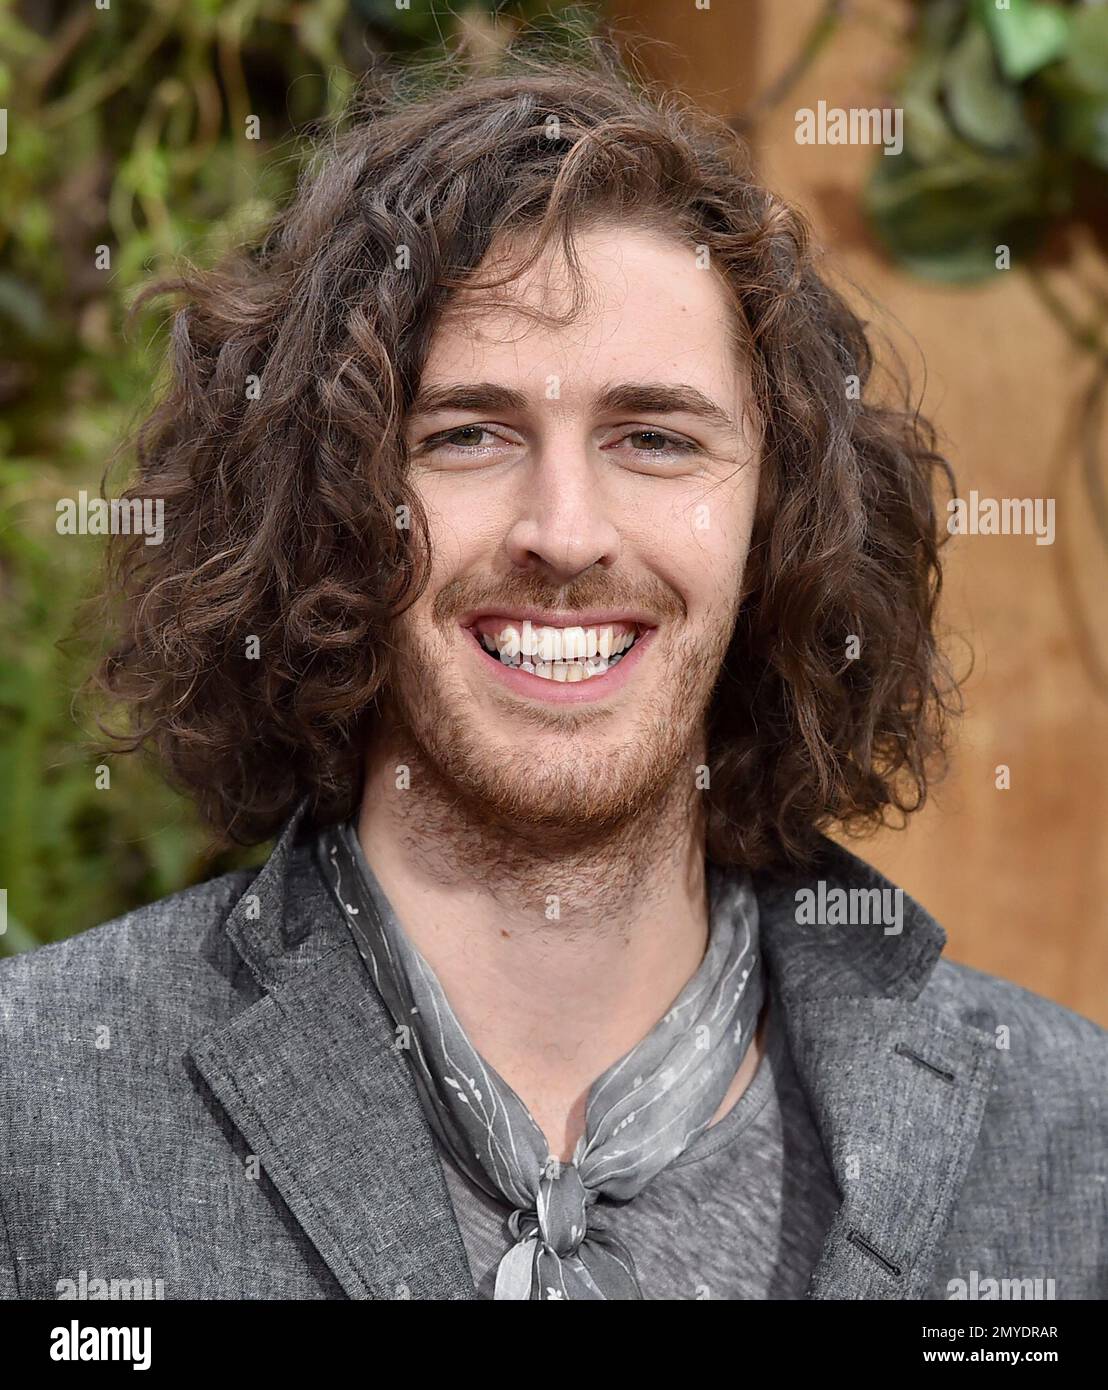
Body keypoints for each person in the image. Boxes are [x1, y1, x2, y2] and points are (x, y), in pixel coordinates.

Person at [1, 42, 1104, 1302]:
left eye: (654, 437)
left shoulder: (1073, 1142)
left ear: (779, 520)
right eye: (468, 434)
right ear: (318, 512)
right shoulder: (32, 1105)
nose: (565, 530)